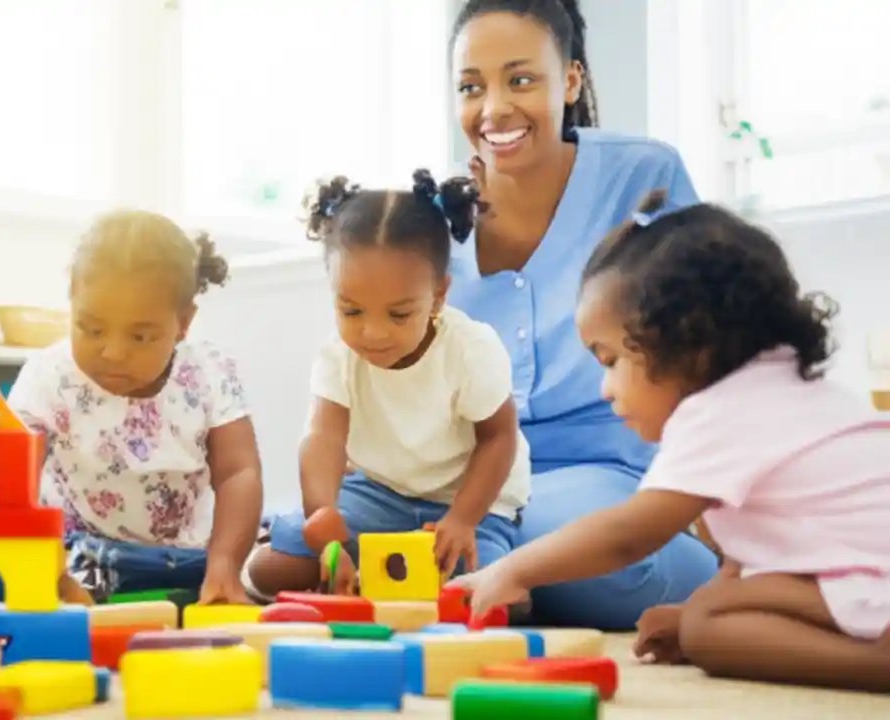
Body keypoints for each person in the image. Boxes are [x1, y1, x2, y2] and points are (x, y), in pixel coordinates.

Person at [453, 193, 890, 692]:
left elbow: (629, 535)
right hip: (864, 568)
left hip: (875, 574)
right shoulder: (790, 390)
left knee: (709, 625)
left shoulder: (718, 414)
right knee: (704, 609)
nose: (605, 389)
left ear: (689, 345)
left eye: (610, 360)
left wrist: (514, 570)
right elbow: (745, 560)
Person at [444, 0, 718, 627]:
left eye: (521, 79)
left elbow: (707, 341)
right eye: (470, 86)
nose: (493, 109)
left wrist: (708, 495)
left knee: (594, 561)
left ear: (569, 81)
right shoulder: (436, 217)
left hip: (606, 468)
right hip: (469, 476)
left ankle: (700, 565)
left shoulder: (643, 173)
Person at [246, 170, 530, 595]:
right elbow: (323, 438)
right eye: (351, 311)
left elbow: (499, 439)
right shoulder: (337, 355)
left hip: (465, 502)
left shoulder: (470, 349)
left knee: (478, 587)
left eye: (398, 315)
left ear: (438, 295)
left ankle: (422, 575)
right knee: (268, 569)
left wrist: (463, 519)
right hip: (378, 494)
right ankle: (364, 574)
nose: (372, 333)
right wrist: (323, 517)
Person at [8, 210, 264, 604]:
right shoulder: (47, 376)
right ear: (71, 299)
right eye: (91, 329)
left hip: (184, 559)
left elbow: (238, 473)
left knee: (260, 566)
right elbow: (13, 482)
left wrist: (225, 562)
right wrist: (48, 570)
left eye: (141, 336)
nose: (113, 352)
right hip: (75, 556)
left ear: (183, 322)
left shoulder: (209, 371)